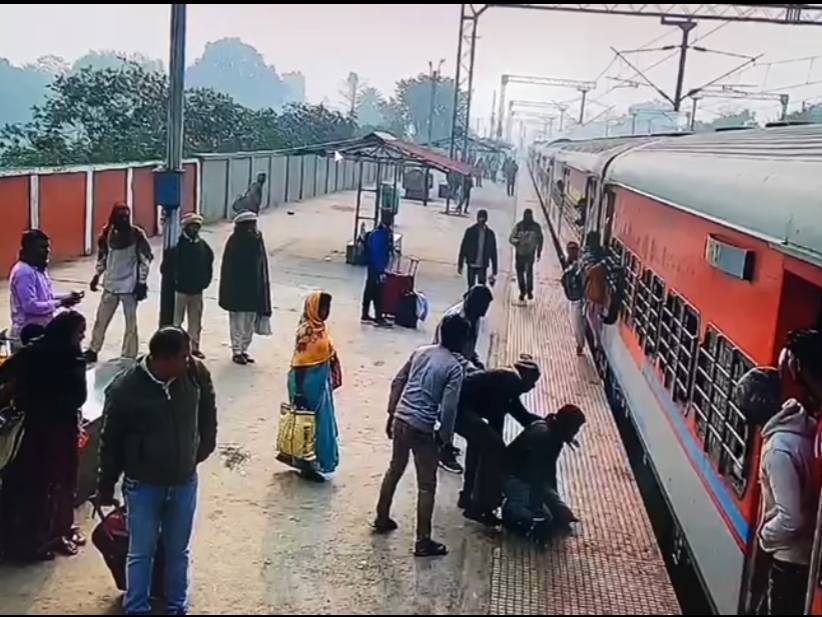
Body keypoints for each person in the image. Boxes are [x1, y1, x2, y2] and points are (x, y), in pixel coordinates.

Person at [97, 327, 218, 616]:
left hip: (184, 481)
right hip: (143, 485)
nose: (189, 360)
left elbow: (208, 412)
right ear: (163, 359)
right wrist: (105, 485)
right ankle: (137, 607)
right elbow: (110, 441)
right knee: (141, 552)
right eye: (183, 356)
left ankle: (177, 606)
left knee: (178, 552)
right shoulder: (125, 390)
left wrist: (200, 450)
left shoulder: (194, 374)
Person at [373, 314, 471, 558]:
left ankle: (381, 517)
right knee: (426, 485)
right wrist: (444, 438)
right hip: (422, 426)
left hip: (401, 418)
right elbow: (449, 408)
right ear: (462, 339)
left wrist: (391, 413)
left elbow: (398, 382)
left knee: (395, 469)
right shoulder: (454, 368)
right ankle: (422, 540)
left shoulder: (421, 352)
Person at [0, 311, 88, 562]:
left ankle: (21, 541)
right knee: (54, 484)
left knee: (26, 486)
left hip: (30, 430)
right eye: (79, 333)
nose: (81, 338)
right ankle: (46, 538)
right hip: (54, 431)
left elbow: (5, 375)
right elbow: (77, 398)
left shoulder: (32, 352)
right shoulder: (70, 359)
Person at [457, 356, 543, 525]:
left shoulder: (510, 383)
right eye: (533, 382)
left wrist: (546, 423)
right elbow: (498, 419)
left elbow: (521, 415)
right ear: (525, 377)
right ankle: (479, 507)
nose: (532, 387)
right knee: (493, 450)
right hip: (459, 408)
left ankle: (468, 497)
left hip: (460, 407)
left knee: (480, 446)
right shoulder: (510, 380)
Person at [278, 291, 342, 482]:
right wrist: (299, 392)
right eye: (322, 307)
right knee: (307, 425)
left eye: (328, 308)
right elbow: (299, 364)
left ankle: (314, 462)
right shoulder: (305, 332)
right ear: (313, 308)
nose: (325, 312)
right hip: (305, 384)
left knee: (320, 424)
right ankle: (306, 466)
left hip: (320, 384)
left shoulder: (320, 328)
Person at [502, 405, 587, 544]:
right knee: (543, 520)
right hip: (514, 477)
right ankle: (511, 511)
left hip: (528, 476)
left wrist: (556, 502)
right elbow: (536, 478)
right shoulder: (546, 439)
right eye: (575, 428)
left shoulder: (552, 432)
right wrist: (539, 509)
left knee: (559, 514)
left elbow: (548, 473)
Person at [434, 284, 495, 474]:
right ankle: (443, 448)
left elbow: (468, 346)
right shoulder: (455, 319)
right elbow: (449, 350)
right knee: (449, 408)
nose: (484, 313)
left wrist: (476, 360)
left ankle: (446, 440)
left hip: (461, 367)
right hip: (448, 367)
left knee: (456, 405)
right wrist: (472, 369)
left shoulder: (473, 317)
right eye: (483, 308)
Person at [83, 203, 153, 363]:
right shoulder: (107, 234)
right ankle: (93, 349)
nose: (123, 219)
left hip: (129, 286)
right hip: (110, 284)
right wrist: (97, 275)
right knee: (101, 320)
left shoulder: (136, 235)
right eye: (120, 216)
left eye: (126, 216)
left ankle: (129, 355)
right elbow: (103, 257)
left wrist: (141, 282)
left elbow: (145, 260)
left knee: (131, 324)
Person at [8, 230, 83, 352]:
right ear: (30, 250)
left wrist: (66, 298)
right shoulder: (24, 272)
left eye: (48, 247)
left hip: (41, 332)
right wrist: (60, 303)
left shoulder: (38, 268)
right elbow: (31, 306)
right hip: (27, 336)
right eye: (42, 247)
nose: (47, 251)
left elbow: (45, 297)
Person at [218, 211, 273, 365]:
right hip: (237, 292)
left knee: (249, 323)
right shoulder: (235, 242)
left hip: (253, 290)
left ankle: (244, 349)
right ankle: (237, 351)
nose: (253, 228)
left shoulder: (258, 240)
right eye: (250, 225)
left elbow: (262, 265)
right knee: (238, 324)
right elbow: (229, 270)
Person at [171, 213, 214, 359]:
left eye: (197, 227)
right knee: (176, 321)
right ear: (186, 227)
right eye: (192, 227)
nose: (194, 229)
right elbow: (169, 267)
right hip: (180, 290)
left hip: (197, 291)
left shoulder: (203, 246)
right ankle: (175, 348)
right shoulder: (177, 245)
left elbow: (209, 264)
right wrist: (176, 281)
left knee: (195, 322)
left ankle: (194, 348)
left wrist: (205, 282)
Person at [360, 212, 394, 328]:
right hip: (376, 267)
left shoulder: (379, 233)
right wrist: (381, 271)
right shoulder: (381, 234)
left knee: (370, 290)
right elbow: (377, 253)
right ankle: (378, 317)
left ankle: (366, 314)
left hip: (373, 266)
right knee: (377, 292)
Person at [509, 209, 544, 303]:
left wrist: (539, 251)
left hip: (529, 253)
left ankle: (528, 291)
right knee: (521, 273)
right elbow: (511, 238)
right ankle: (523, 290)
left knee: (528, 272)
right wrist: (518, 242)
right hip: (520, 253)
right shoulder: (520, 226)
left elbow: (540, 240)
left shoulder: (534, 227)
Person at [458, 210, 498, 289]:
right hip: (471, 263)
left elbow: (493, 252)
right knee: (471, 287)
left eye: (483, 218)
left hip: (483, 265)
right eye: (480, 218)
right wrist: (460, 264)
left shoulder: (490, 234)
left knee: (481, 288)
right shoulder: (470, 231)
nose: (481, 220)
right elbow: (464, 247)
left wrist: (494, 268)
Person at [561, 241, 586, 355]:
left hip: (578, 300)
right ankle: (580, 343)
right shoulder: (573, 264)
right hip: (574, 298)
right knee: (576, 322)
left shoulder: (578, 267)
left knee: (577, 323)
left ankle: (580, 345)